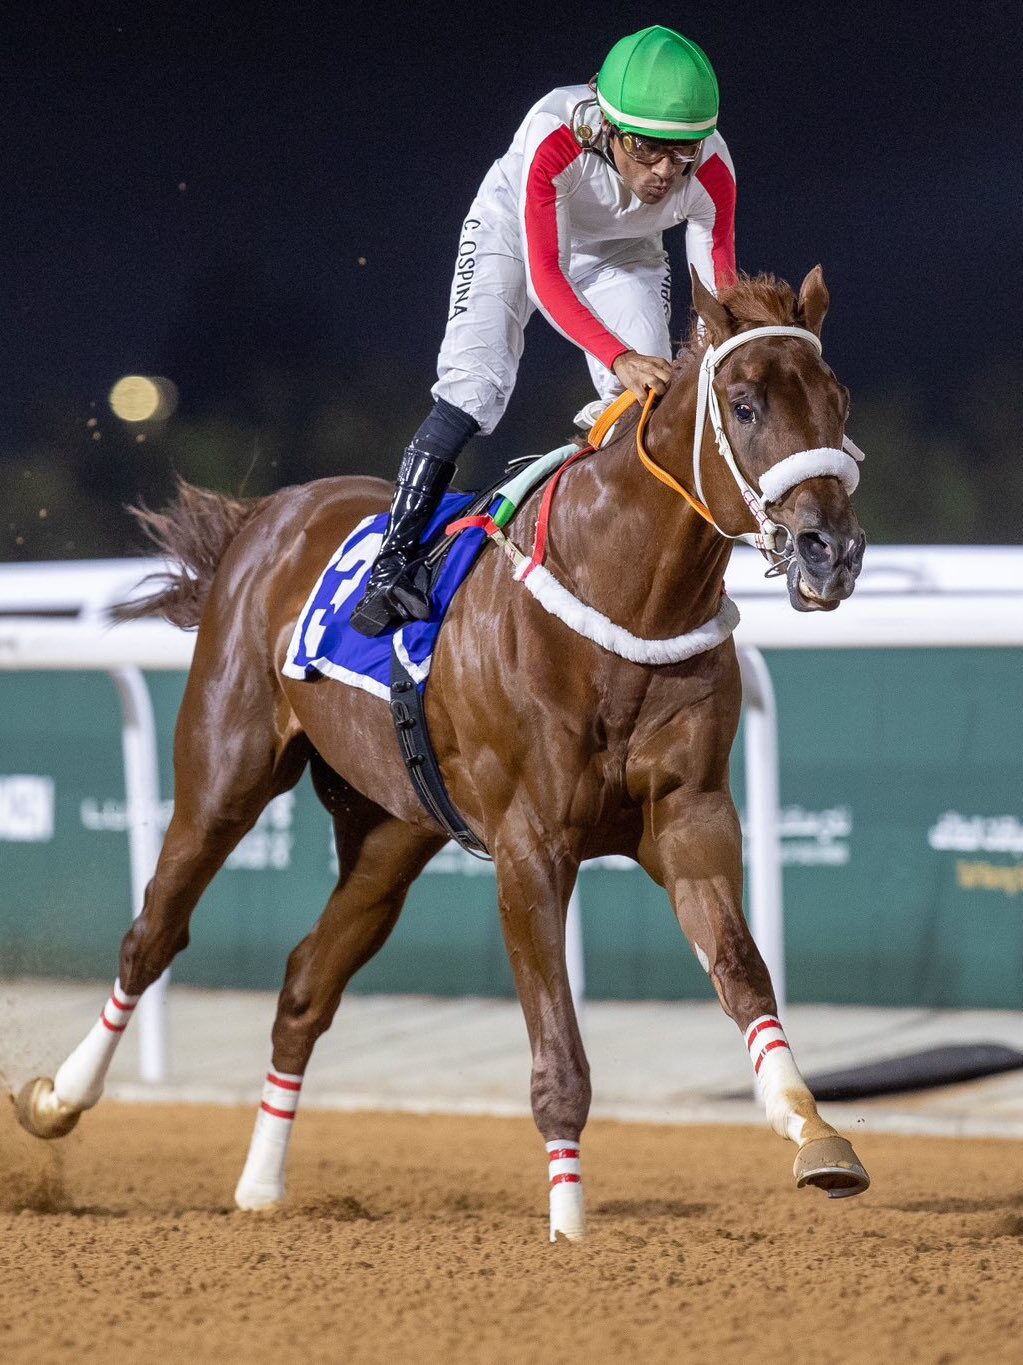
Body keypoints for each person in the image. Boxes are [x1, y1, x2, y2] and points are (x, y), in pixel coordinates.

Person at [352, 24, 736, 636]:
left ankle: (626, 570)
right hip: (518, 233)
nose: (665, 171)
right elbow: (547, 279)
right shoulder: (553, 134)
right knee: (474, 388)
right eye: (645, 149)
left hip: (624, 252)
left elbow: (719, 301)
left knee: (649, 404)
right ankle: (391, 564)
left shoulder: (712, 169)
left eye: (682, 152)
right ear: (606, 125)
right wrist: (618, 356)